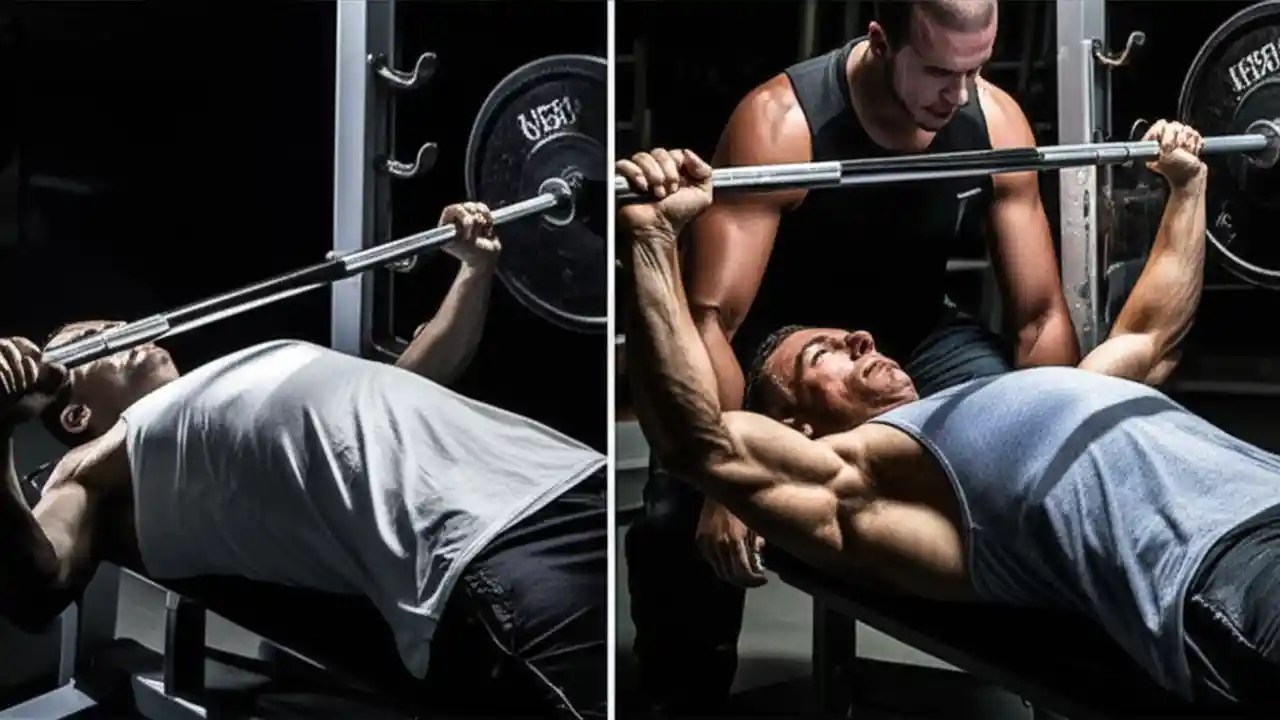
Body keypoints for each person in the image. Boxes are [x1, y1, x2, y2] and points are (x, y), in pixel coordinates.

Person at [620, 120, 1280, 710]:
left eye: (856, 337)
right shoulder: (865, 479)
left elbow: (1148, 341)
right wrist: (654, 243)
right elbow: (698, 444)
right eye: (824, 353)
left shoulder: (1023, 397)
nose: (862, 341)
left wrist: (1188, 187)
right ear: (797, 430)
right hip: (1220, 572)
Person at [623, 2, 1082, 712]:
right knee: (673, 523)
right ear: (878, 41)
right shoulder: (782, 124)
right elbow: (713, 317)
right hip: (774, 345)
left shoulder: (994, 120)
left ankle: (1053, 690)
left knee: (1026, 479)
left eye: (975, 68)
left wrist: (1054, 446)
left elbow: (1039, 315)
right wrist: (724, 481)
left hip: (918, 332)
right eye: (936, 69)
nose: (957, 95)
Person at [0, 202, 607, 719]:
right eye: (98, 344)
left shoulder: (226, 383)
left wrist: (476, 269)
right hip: (482, 547)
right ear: (76, 413)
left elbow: (414, 380)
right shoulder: (95, 462)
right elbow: (38, 586)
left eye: (120, 323)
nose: (128, 331)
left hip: (572, 476)